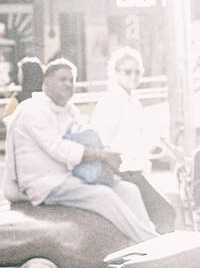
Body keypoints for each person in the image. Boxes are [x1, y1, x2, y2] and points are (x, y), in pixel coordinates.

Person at [3, 59, 155, 241]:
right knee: (103, 196)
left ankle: (149, 241)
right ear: (46, 82)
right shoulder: (32, 110)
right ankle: (146, 241)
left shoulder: (68, 109)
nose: (68, 84)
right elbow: (58, 149)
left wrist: (104, 162)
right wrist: (101, 156)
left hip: (72, 177)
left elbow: (90, 137)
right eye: (62, 79)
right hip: (45, 183)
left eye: (72, 80)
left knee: (129, 190)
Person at [91, 47, 176, 233]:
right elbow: (100, 138)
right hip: (122, 172)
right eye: (127, 72)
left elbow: (145, 134)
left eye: (137, 71)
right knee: (164, 213)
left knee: (158, 215)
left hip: (135, 171)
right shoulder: (112, 100)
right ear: (116, 74)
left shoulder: (132, 100)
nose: (133, 76)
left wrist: (169, 148)